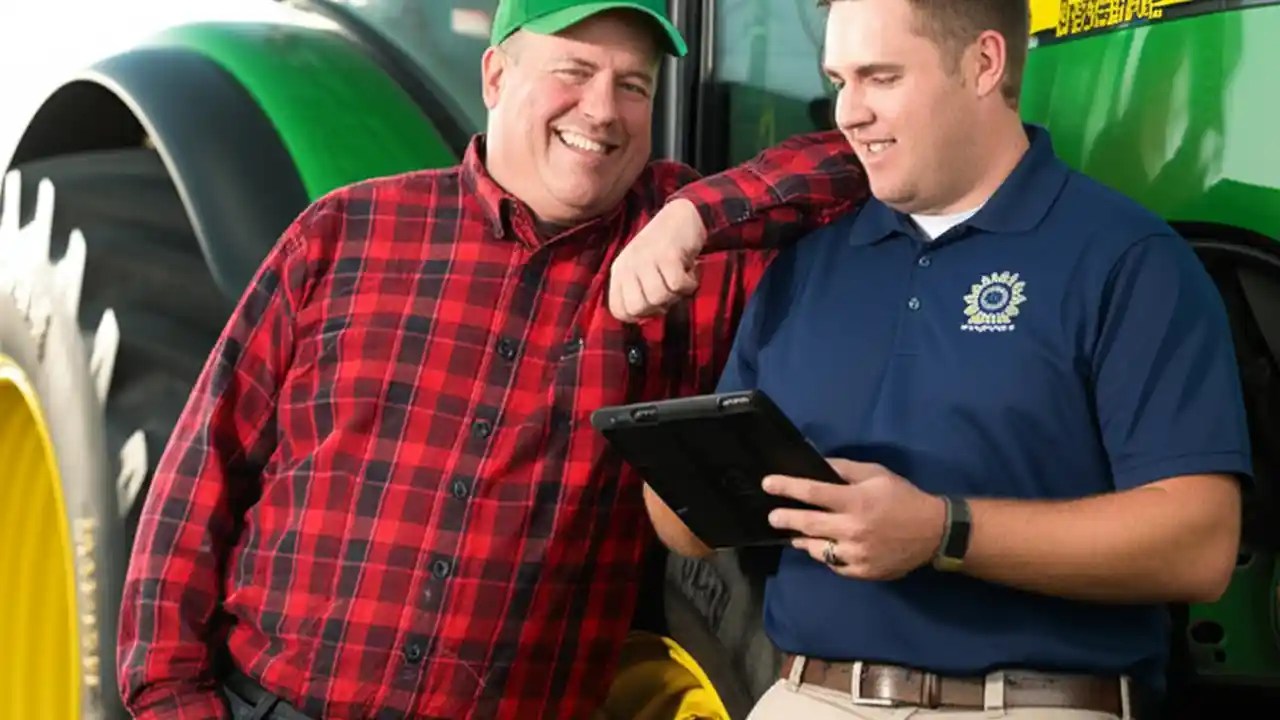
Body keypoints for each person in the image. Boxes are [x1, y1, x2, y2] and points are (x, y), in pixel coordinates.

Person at [114, 1, 866, 719]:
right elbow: (199, 482)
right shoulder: (344, 233)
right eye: (573, 70)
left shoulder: (689, 262)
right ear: (496, 77)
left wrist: (695, 214)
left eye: (633, 85)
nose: (603, 110)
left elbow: (873, 150)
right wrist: (173, 698)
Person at [627, 0, 1250, 718]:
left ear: (984, 63)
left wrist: (941, 531)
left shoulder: (1129, 262)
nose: (847, 113)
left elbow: (1199, 545)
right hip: (802, 695)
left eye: (880, 77)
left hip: (1031, 703)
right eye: (839, 80)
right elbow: (692, 534)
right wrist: (675, 468)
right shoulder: (802, 268)